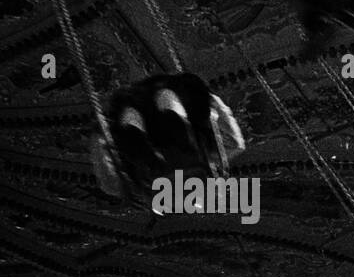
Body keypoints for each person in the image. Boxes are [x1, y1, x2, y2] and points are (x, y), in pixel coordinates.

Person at [91, 72, 244, 197]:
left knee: (144, 150)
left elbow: (110, 183)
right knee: (178, 134)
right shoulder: (214, 156)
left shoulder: (141, 184)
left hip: (146, 124)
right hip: (165, 121)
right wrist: (210, 101)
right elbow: (235, 142)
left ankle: (140, 121)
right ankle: (153, 111)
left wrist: (99, 139)